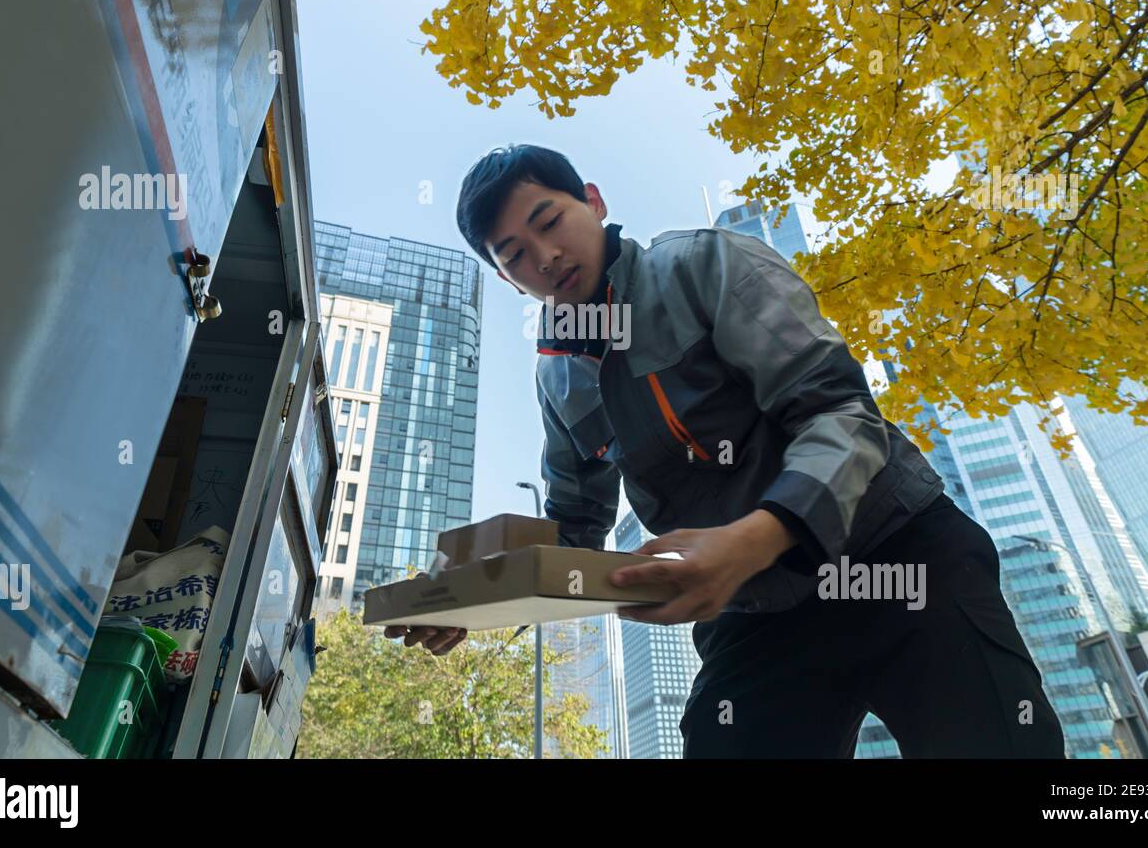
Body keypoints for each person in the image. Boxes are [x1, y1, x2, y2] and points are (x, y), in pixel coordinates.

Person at [386, 144, 1066, 758]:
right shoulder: (558, 377)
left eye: (548, 220)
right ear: (508, 281)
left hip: (896, 551)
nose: (544, 256)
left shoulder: (704, 264)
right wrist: (475, 592)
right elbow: (575, 526)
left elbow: (840, 414)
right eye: (513, 254)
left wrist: (751, 542)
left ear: (592, 202)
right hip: (755, 611)